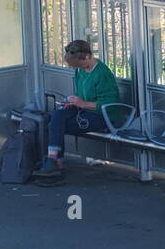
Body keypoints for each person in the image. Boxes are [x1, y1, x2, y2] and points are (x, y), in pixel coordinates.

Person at [34, 39, 120, 186]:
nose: (77, 68)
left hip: (101, 116)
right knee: (56, 116)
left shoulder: (102, 74)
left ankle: (54, 161)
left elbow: (109, 104)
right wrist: (72, 102)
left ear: (87, 57)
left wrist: (83, 103)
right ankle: (54, 161)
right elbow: (81, 94)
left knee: (57, 126)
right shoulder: (80, 70)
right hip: (83, 109)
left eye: (77, 65)